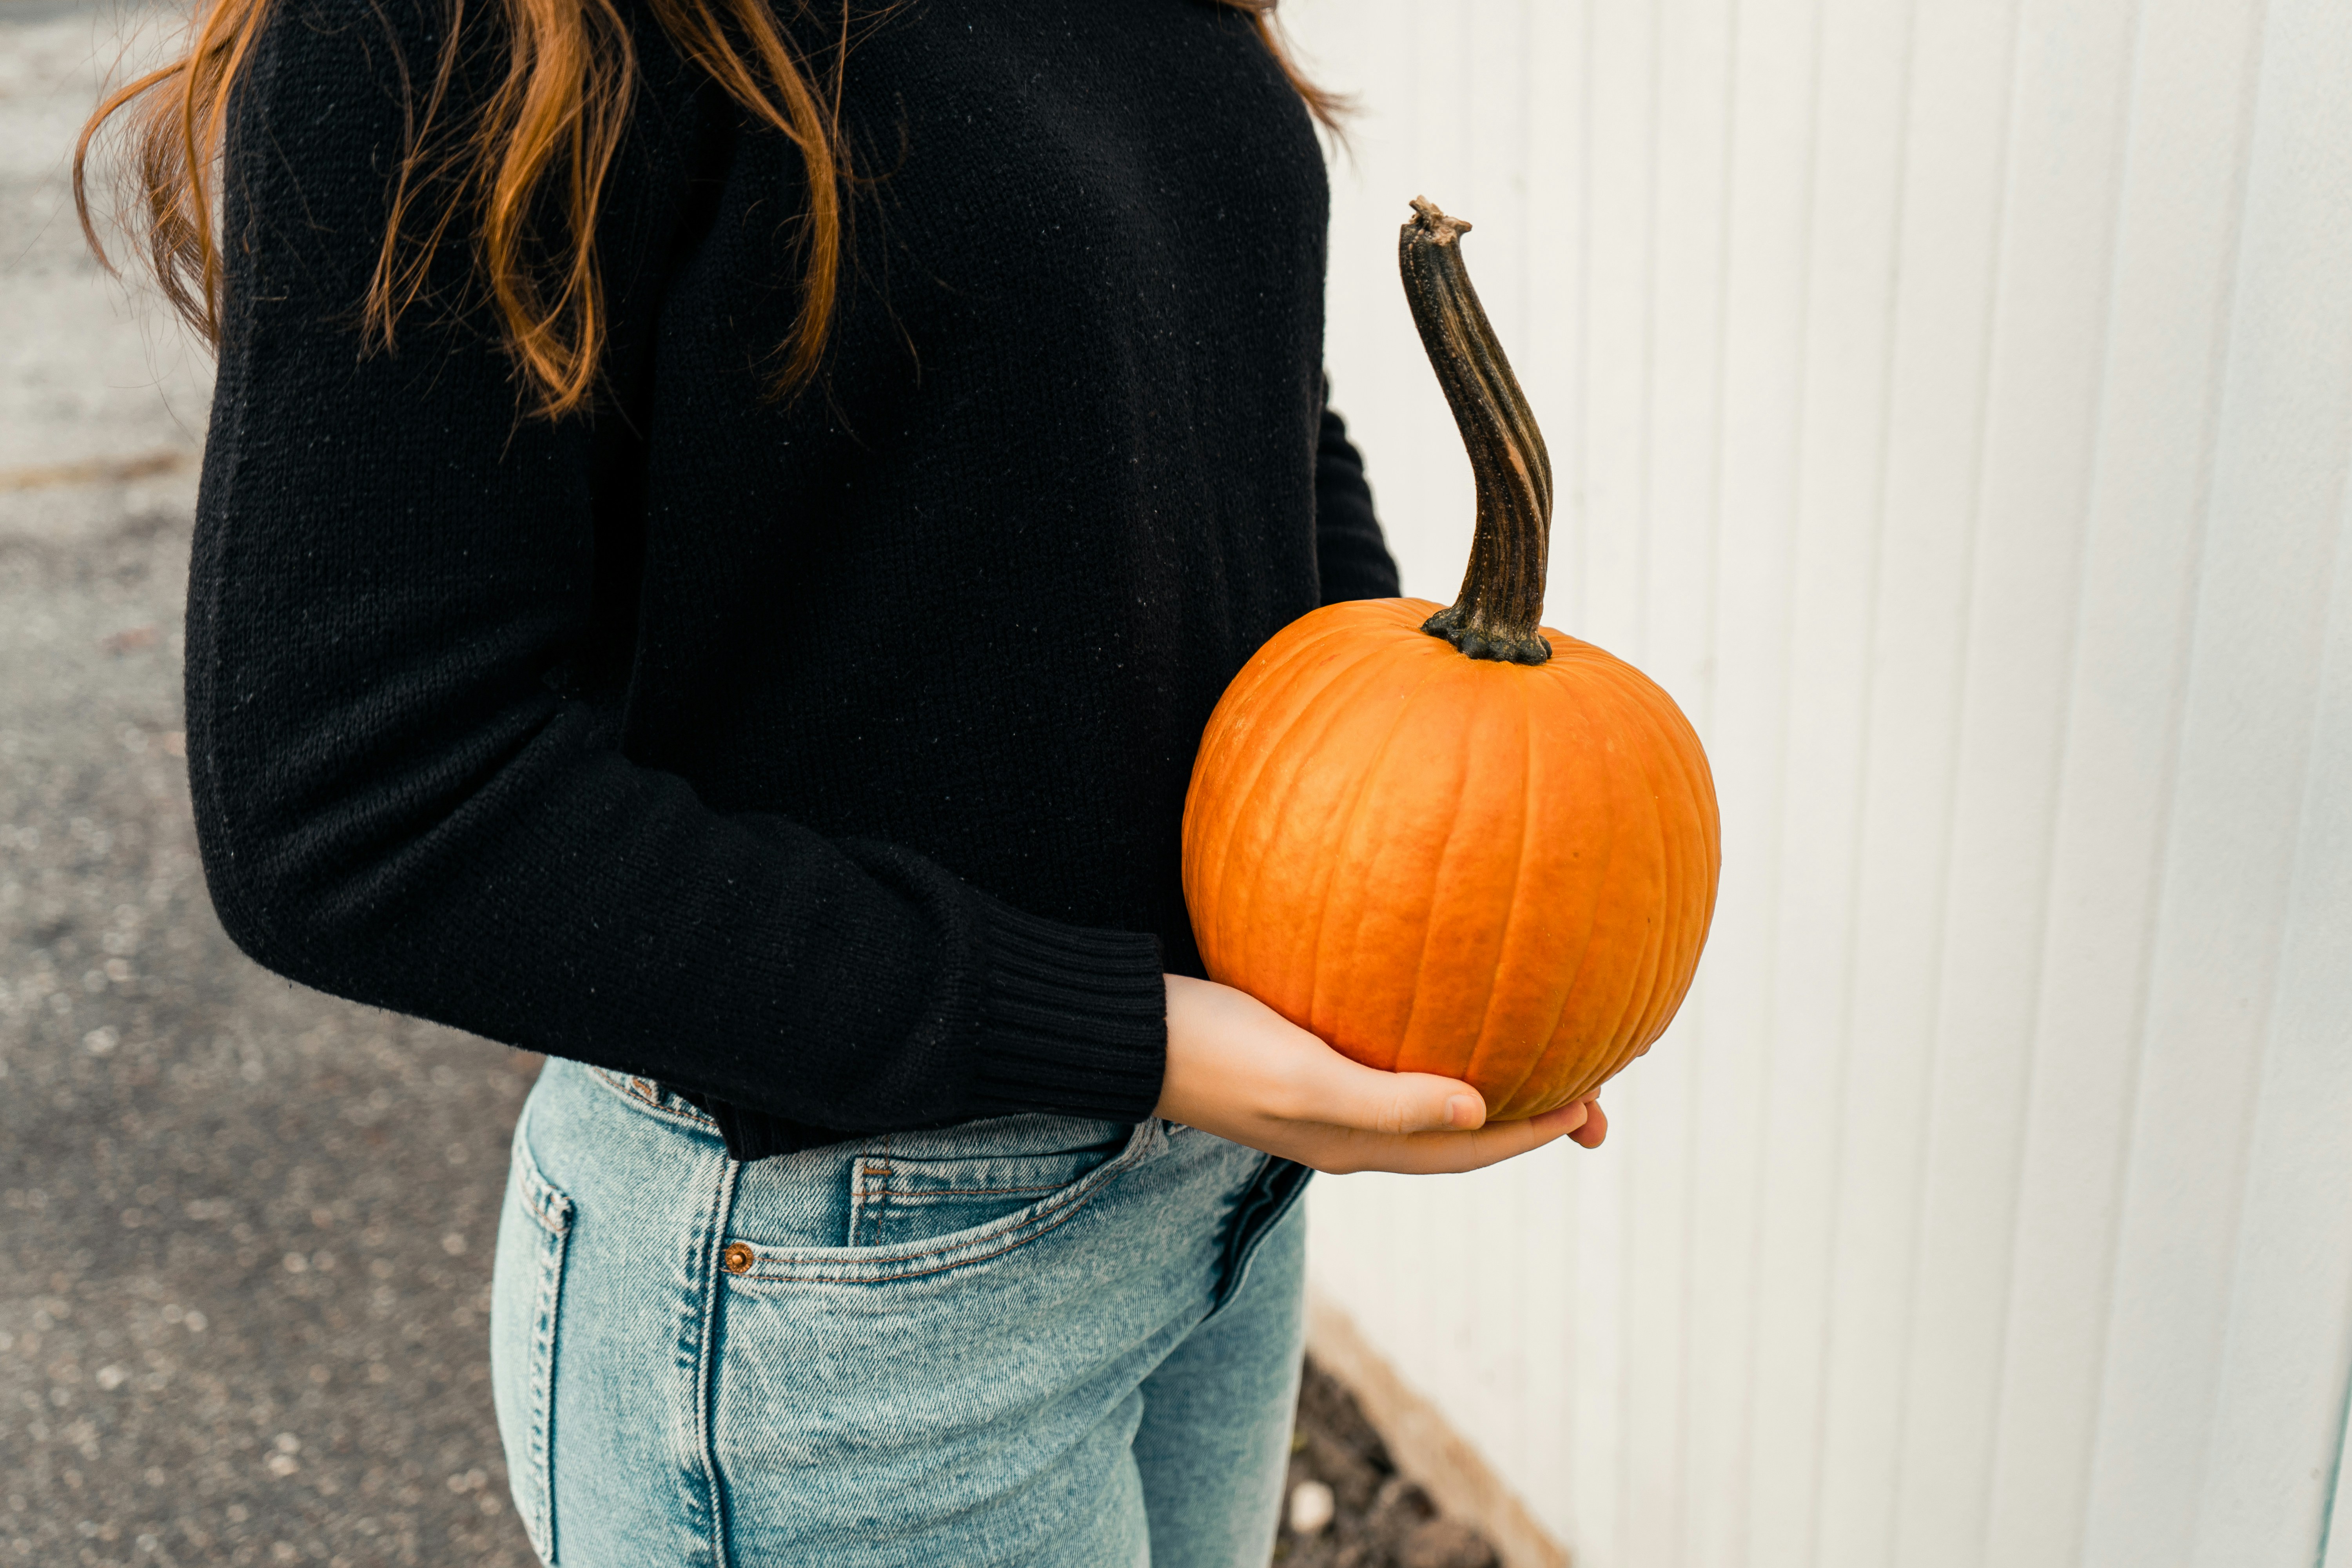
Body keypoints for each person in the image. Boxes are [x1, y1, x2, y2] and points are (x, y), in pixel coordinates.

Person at [81, 0, 1606, 1561]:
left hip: (1207, 1200)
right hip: (856, 1302)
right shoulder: (463, 29)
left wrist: (1409, 825)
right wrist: (1121, 1031)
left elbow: (1229, 388)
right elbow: (361, 801)